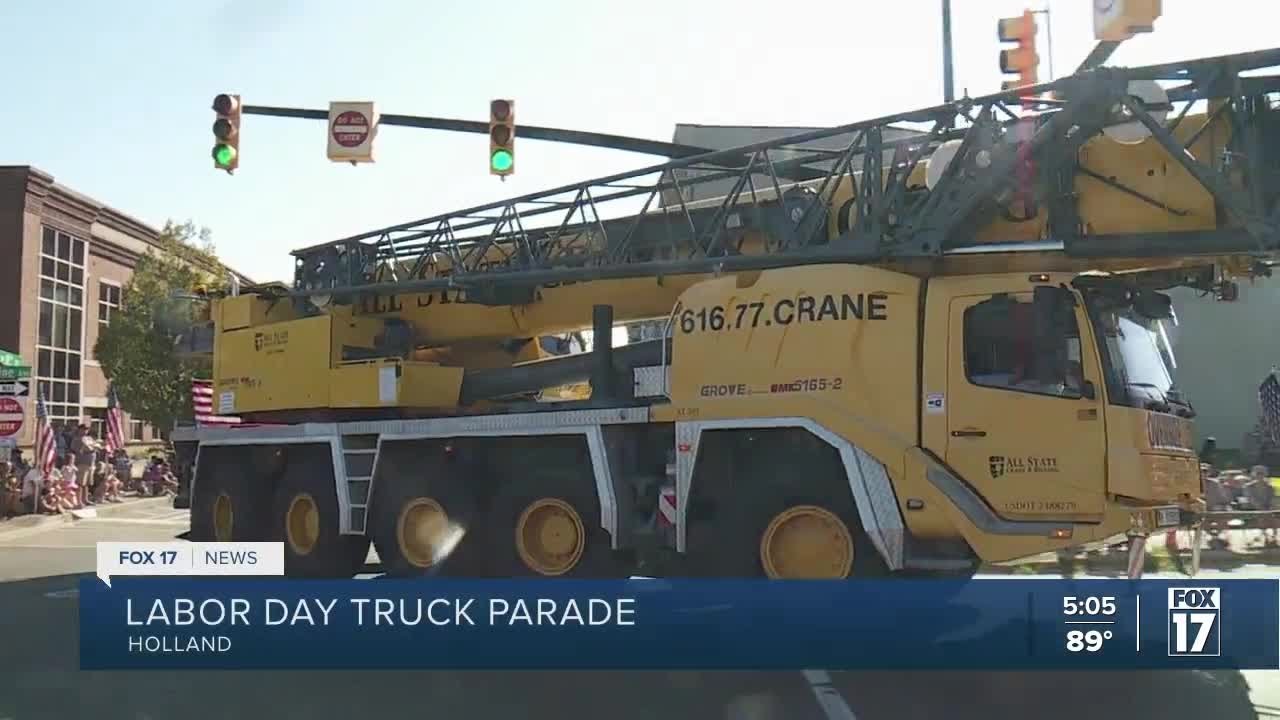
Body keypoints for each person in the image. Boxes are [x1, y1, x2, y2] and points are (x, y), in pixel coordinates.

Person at [72, 424, 98, 507]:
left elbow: (95, 446)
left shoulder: (89, 438)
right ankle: (79, 501)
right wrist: (89, 447)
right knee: (80, 483)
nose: (85, 431)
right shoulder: (77, 439)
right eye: (83, 429)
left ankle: (85, 499)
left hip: (90, 463)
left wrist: (93, 447)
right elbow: (81, 449)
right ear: (79, 429)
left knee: (86, 484)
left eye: (86, 429)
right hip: (82, 463)